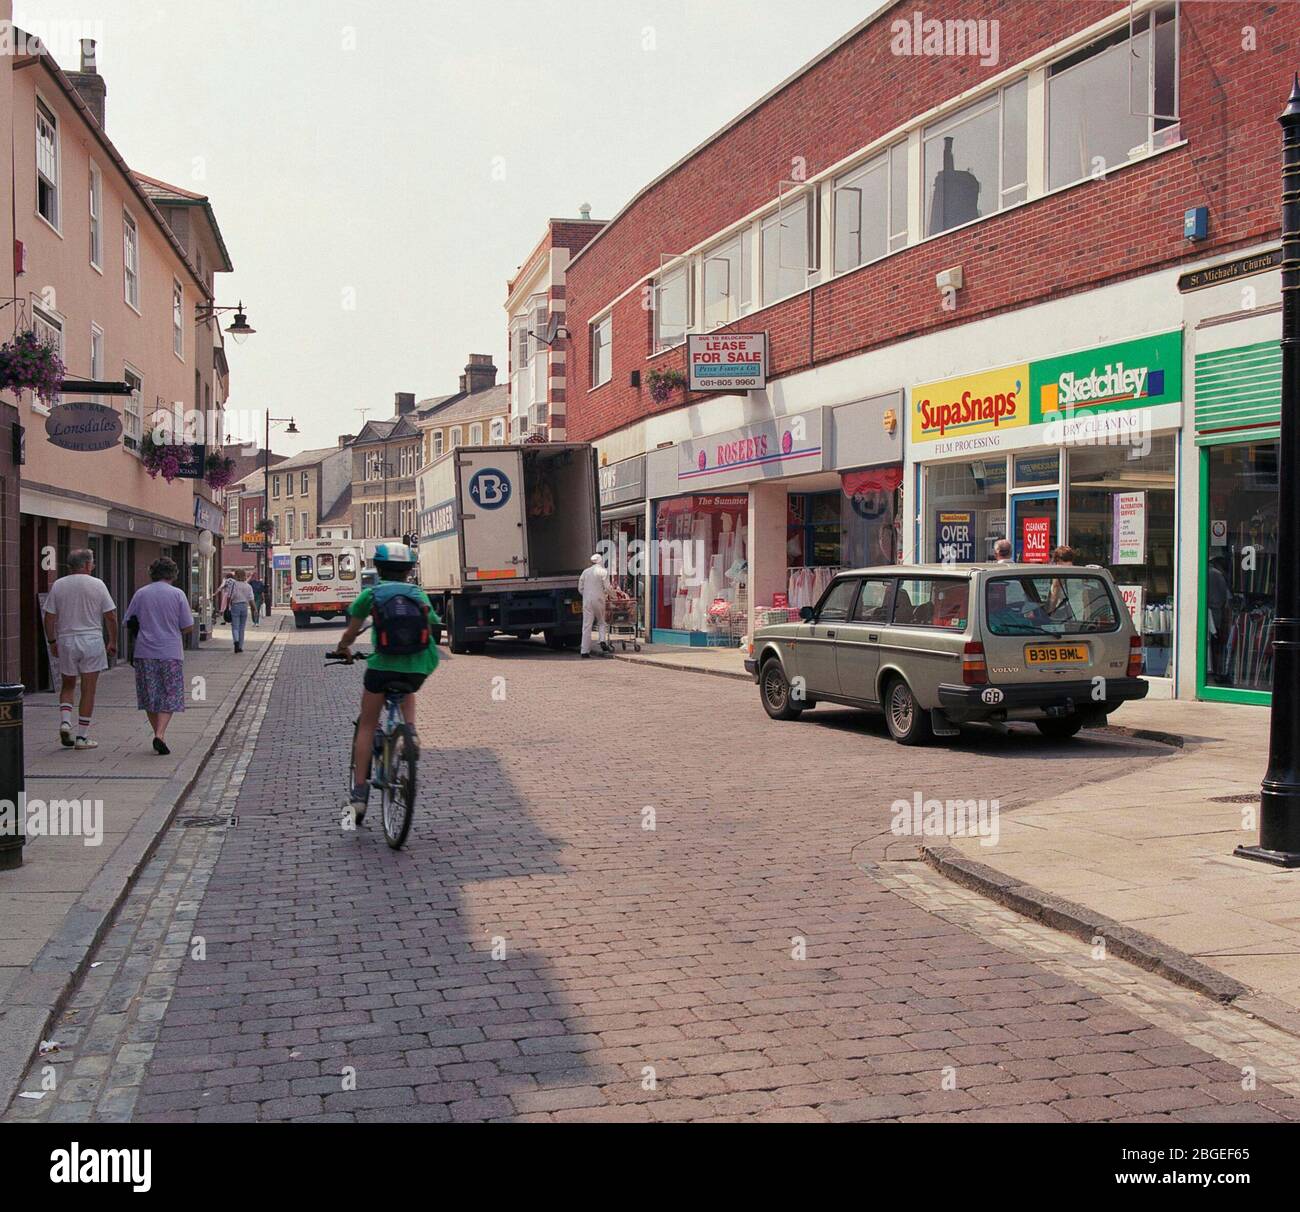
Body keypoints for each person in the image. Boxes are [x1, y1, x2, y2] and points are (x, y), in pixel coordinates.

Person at [332, 542, 438, 826]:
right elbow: (432, 624)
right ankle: (410, 732)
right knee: (408, 687)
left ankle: (359, 795)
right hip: (415, 670)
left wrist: (343, 648)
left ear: (379, 569)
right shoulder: (419, 595)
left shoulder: (371, 595)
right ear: (408, 571)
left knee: (367, 724)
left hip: (381, 667)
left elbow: (351, 632)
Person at [43, 549, 117, 750]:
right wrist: (113, 641)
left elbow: (49, 617)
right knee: (88, 689)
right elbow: (111, 615)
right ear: (86, 565)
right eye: (92, 562)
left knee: (68, 685)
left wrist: (52, 641)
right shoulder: (98, 584)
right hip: (91, 640)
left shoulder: (59, 585)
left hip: (66, 640)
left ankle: (65, 721)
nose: (93, 565)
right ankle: (82, 737)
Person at [123, 557, 194, 755]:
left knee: (150, 695)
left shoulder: (141, 593)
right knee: (170, 694)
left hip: (144, 651)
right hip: (170, 652)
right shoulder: (177, 594)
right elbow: (188, 625)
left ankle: (158, 734)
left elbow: (127, 621)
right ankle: (160, 734)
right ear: (173, 574)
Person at [577, 553, 611, 658]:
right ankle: (602, 640)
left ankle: (584, 651)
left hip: (587, 601)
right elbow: (607, 587)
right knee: (601, 621)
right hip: (599, 600)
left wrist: (586, 595)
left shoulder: (585, 572)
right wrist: (612, 595)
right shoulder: (603, 572)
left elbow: (580, 588)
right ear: (601, 561)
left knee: (587, 625)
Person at [227, 569, 256, 653]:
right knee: (242, 627)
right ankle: (240, 646)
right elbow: (251, 599)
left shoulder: (234, 585)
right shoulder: (248, 586)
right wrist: (254, 609)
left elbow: (230, 596)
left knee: (235, 626)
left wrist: (228, 605)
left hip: (235, 605)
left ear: (236, 575)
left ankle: (236, 641)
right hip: (244, 606)